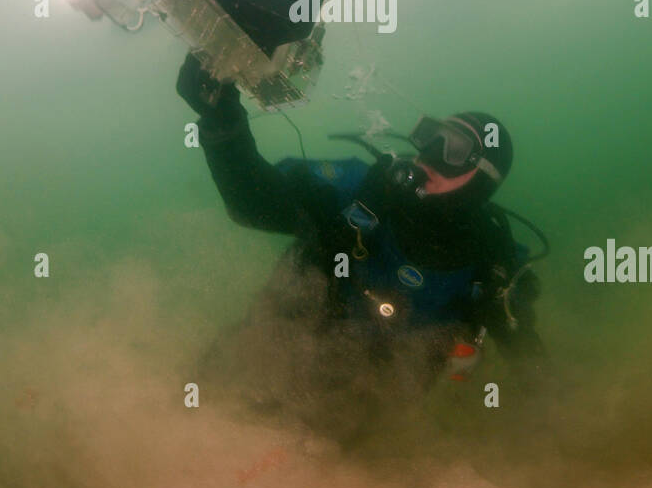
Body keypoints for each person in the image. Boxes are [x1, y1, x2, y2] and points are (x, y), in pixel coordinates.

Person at [177, 53, 547, 443]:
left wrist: (564, 436)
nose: (428, 156)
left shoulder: (494, 263)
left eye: (453, 150)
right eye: (430, 137)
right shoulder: (358, 187)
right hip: (252, 366)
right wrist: (222, 121)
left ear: (484, 181)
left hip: (351, 424)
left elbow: (532, 365)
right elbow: (252, 204)